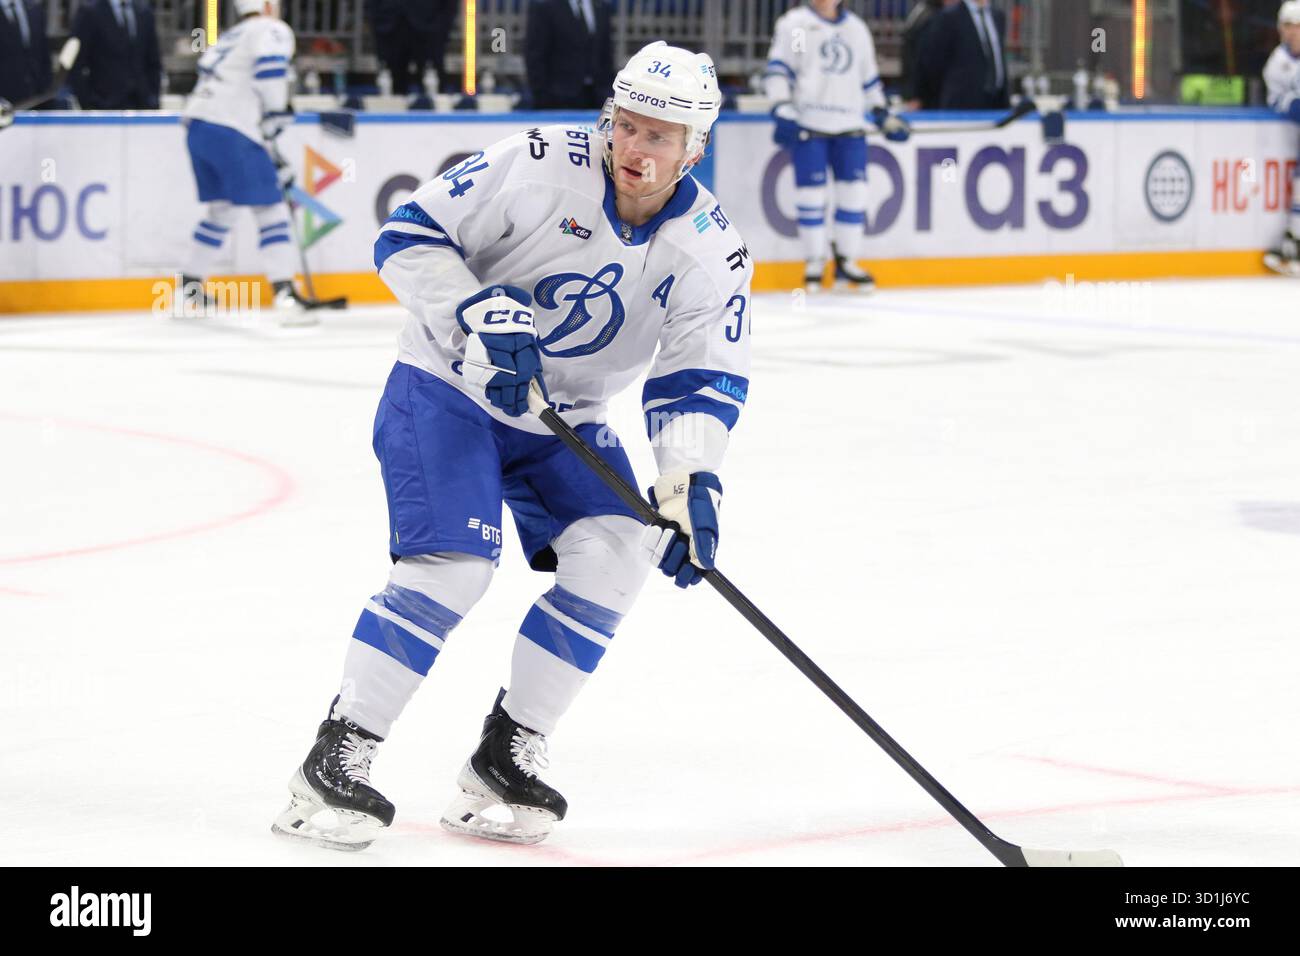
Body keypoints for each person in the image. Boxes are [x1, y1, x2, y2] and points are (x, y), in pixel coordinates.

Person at [272, 40, 752, 850]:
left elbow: (697, 378)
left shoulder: (713, 248)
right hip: (447, 388)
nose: (635, 149)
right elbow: (408, 233)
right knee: (454, 568)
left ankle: (505, 751)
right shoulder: (537, 162)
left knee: (619, 549)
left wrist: (689, 478)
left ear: (696, 146)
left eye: (660, 137)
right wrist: (476, 312)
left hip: (567, 412)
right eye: (626, 126)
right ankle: (337, 754)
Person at [178, 0, 312, 322]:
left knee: (222, 210)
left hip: (197, 126)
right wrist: (276, 113)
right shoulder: (271, 28)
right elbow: (269, 70)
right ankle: (285, 295)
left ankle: (188, 288)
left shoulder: (230, 35)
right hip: (231, 128)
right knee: (271, 209)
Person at [764, 0, 910, 292]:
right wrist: (781, 108)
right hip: (811, 124)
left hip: (850, 127)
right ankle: (814, 263)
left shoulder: (856, 29)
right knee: (810, 196)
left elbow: (868, 80)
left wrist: (882, 113)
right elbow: (780, 70)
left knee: (854, 194)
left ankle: (847, 262)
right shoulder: (795, 24)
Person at [916, 0, 1011, 111]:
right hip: (962, 104)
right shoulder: (949, 17)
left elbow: (997, 56)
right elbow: (932, 63)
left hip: (997, 102)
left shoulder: (998, 16)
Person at [68, 0, 162, 110]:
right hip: (103, 105)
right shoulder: (90, 12)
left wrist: (152, 97)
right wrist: (88, 104)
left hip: (142, 105)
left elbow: (153, 61)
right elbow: (76, 64)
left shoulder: (145, 12)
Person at [1264, 0, 1300, 276]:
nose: (1293, 32)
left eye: (1298, 26)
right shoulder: (1276, 65)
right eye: (1288, 26)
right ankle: (1295, 238)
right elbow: (1281, 102)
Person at [525, 0, 614, 109]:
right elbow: (535, 54)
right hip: (556, 98)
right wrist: (541, 95)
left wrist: (608, 91)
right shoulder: (545, 7)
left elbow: (606, 53)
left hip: (597, 96)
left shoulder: (601, 6)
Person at [0, 0, 52, 110]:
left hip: (37, 102)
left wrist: (47, 93)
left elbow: (44, 56)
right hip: (4, 104)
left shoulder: (35, 9)